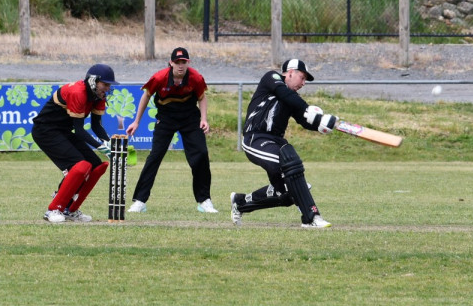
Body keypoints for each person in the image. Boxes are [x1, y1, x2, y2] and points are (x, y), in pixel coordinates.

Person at [228, 58, 337, 229]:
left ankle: (240, 203)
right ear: (290, 72)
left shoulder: (293, 99)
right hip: (255, 139)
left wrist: (322, 125)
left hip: (277, 141)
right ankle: (312, 217)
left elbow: (304, 120)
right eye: (302, 77)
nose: (303, 83)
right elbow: (288, 96)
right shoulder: (272, 78)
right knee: (292, 170)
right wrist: (307, 108)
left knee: (287, 195)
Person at [124, 46, 215, 214]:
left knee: (201, 154)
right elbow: (146, 96)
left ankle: (204, 200)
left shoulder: (195, 77)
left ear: (188, 63)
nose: (181, 65)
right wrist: (136, 122)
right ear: (171, 63)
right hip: (166, 118)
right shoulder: (160, 77)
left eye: (184, 62)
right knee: (155, 156)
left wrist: (203, 119)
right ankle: (140, 201)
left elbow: (202, 97)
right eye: (177, 62)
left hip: (190, 117)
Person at [32, 64, 117, 223]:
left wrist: (110, 144)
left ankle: (70, 209)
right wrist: (101, 147)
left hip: (63, 131)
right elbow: (79, 130)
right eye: (105, 84)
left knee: (95, 164)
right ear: (93, 81)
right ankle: (53, 209)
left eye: (109, 85)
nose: (107, 88)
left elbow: (96, 126)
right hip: (46, 131)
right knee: (78, 166)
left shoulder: (98, 96)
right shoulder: (78, 92)